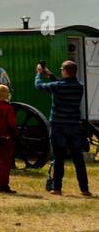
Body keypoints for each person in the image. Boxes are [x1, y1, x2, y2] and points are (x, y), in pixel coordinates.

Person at [35, 60, 91, 196]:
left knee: (59, 158)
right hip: (74, 126)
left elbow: (39, 86)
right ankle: (84, 189)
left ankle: (57, 188)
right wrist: (50, 75)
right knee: (78, 159)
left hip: (58, 125)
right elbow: (62, 84)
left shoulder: (58, 86)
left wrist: (39, 73)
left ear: (65, 71)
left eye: (62, 70)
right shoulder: (79, 86)